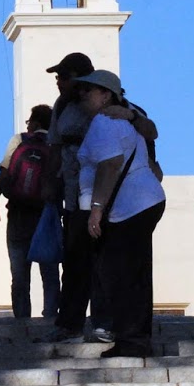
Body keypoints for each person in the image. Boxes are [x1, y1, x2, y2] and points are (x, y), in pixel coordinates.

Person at [46, 51, 159, 343]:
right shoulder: (62, 108)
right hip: (76, 197)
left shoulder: (120, 109)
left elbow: (149, 132)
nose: (62, 84)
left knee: (107, 265)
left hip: (111, 201)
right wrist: (51, 186)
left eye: (67, 78)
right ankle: (69, 322)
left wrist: (131, 116)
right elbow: (55, 148)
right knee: (74, 262)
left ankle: (106, 323)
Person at [76, 69, 166, 359]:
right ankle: (136, 339)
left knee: (120, 274)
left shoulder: (104, 121)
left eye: (89, 90)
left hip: (129, 207)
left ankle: (131, 340)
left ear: (106, 95)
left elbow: (110, 164)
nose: (82, 95)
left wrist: (96, 211)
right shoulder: (117, 120)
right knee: (134, 274)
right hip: (142, 202)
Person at [0, 104, 59, 320]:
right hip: (46, 214)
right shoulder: (56, 144)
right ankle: (50, 316)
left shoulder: (19, 140)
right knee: (49, 271)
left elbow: (5, 170)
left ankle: (22, 320)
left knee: (19, 274)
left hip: (18, 213)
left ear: (35, 122)